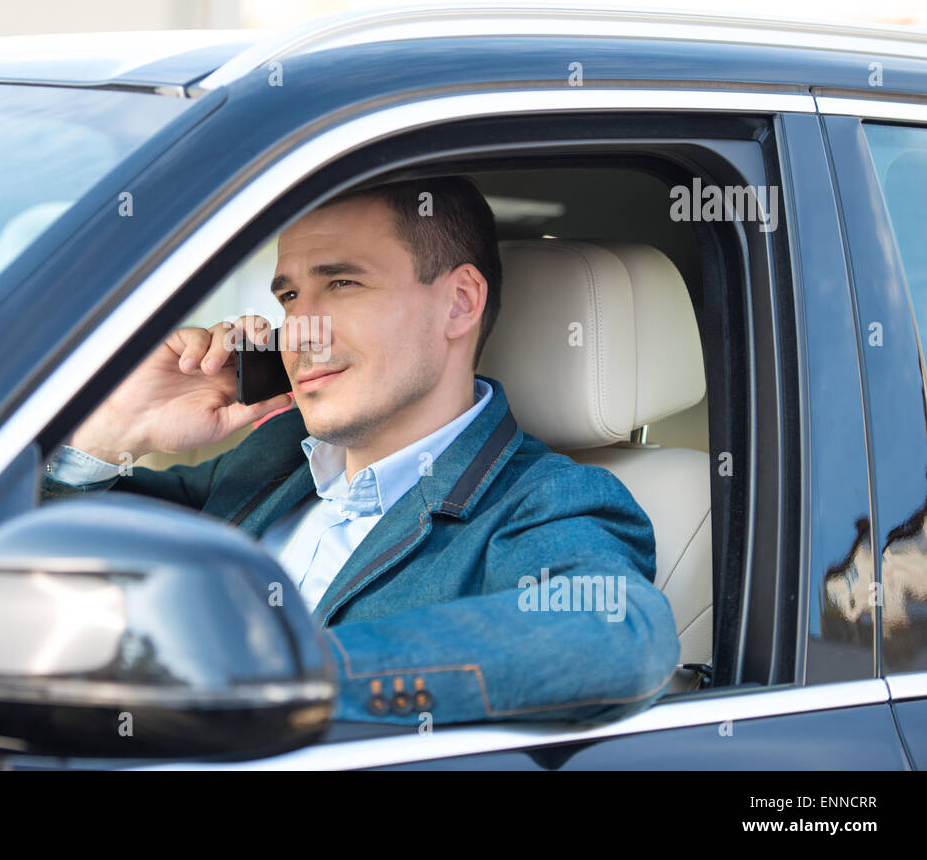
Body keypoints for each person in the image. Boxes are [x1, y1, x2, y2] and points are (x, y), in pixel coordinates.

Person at [42, 175, 680, 725]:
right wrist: (114, 431)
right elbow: (3, 546)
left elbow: (613, 634)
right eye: (290, 297)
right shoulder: (269, 462)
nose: (301, 334)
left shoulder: (545, 500)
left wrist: (271, 677)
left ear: (460, 303)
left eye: (342, 284)